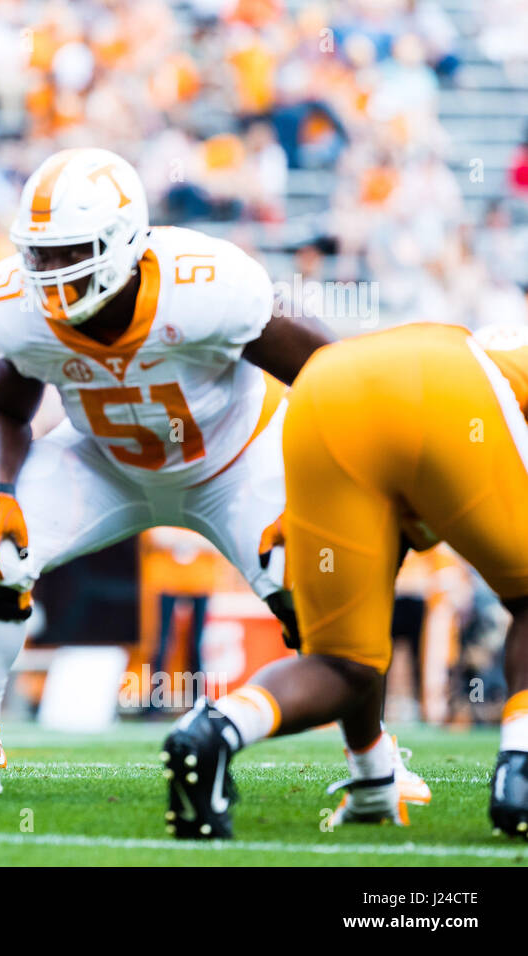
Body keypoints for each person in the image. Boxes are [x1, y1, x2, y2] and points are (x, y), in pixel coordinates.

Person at [0, 147, 425, 800]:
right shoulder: (15, 305)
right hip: (103, 461)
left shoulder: (207, 286)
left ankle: (374, 764)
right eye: (40, 254)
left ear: (120, 244)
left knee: (313, 588)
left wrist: (317, 492)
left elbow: (332, 379)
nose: (48, 274)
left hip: (234, 459)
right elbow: (3, 407)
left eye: (68, 253)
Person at [162, 322, 528, 839]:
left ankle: (216, 730)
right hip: (448, 390)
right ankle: (521, 771)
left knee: (344, 662)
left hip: (324, 391)